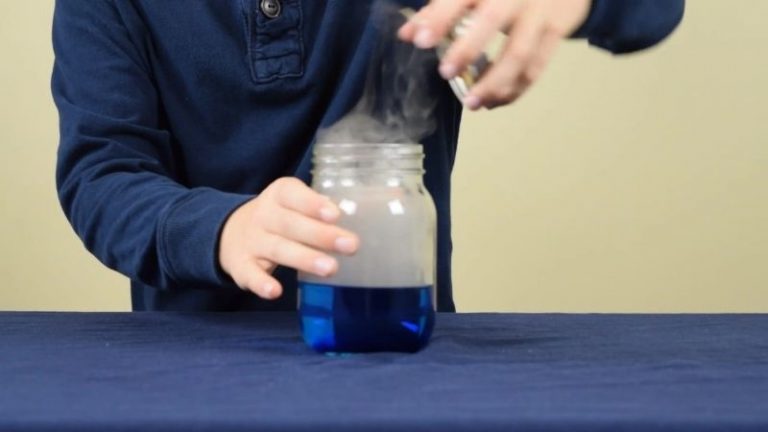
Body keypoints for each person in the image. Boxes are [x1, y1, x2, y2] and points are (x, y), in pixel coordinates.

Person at [52, 0, 685, 312]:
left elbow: (653, 11)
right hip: (177, 369)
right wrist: (221, 230)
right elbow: (101, 174)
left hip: (401, 358)